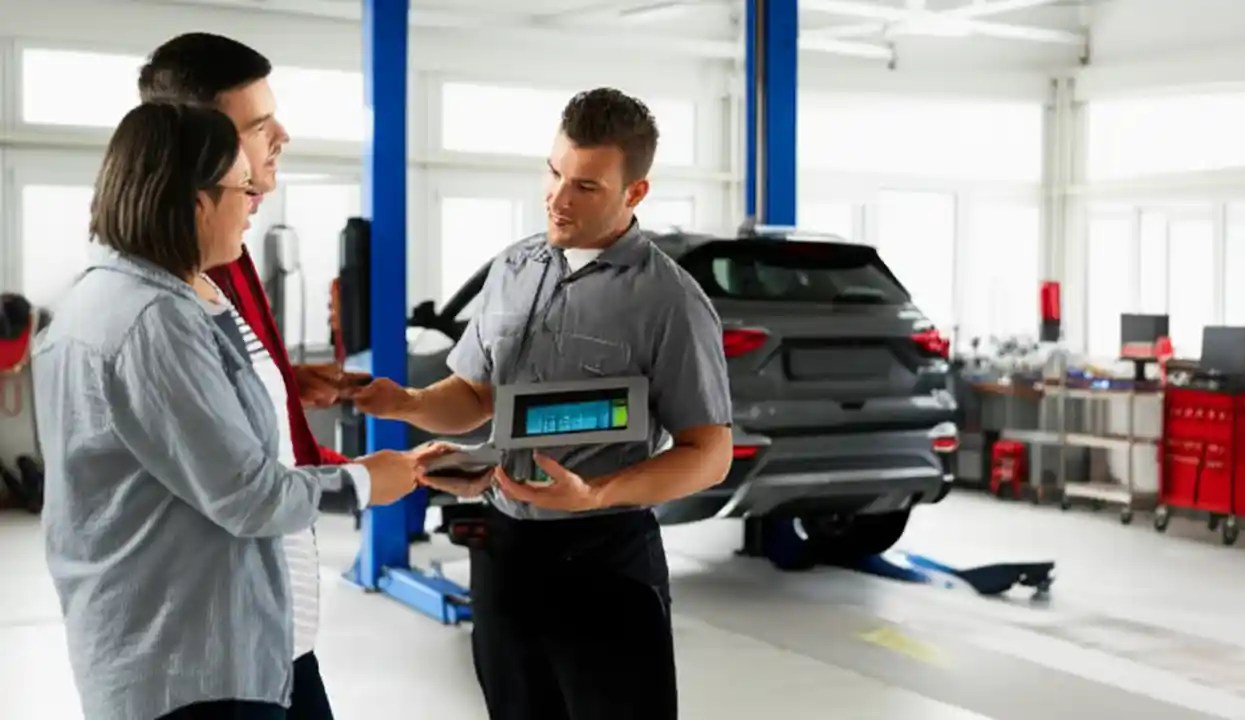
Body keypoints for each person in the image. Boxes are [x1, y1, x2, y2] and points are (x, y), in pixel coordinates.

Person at [31, 102, 421, 720]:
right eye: (242, 187)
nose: (255, 199)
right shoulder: (153, 319)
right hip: (191, 667)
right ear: (194, 201)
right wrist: (370, 480)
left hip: (190, 644)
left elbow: (186, 428)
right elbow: (249, 494)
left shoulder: (120, 297)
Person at [353, 87, 734, 720]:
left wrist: (596, 493)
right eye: (554, 172)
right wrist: (407, 401)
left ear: (634, 192)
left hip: (604, 559)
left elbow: (710, 453)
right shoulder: (514, 267)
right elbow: (476, 396)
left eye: (585, 185)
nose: (558, 198)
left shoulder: (670, 301)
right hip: (504, 556)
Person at [137, 33, 370, 719]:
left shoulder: (228, 246)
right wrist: (367, 479)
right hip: (220, 628)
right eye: (258, 126)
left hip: (279, 605)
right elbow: (226, 474)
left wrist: (281, 378)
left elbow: (221, 396)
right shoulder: (172, 285)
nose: (283, 137)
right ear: (197, 146)